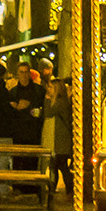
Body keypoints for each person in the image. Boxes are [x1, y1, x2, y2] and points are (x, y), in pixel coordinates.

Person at [46, 72, 76, 202]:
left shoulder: (59, 103)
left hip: (61, 141)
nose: (48, 90)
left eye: (51, 88)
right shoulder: (64, 102)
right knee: (60, 166)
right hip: (62, 140)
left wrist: (47, 99)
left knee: (59, 165)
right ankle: (64, 190)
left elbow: (48, 112)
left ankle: (56, 191)